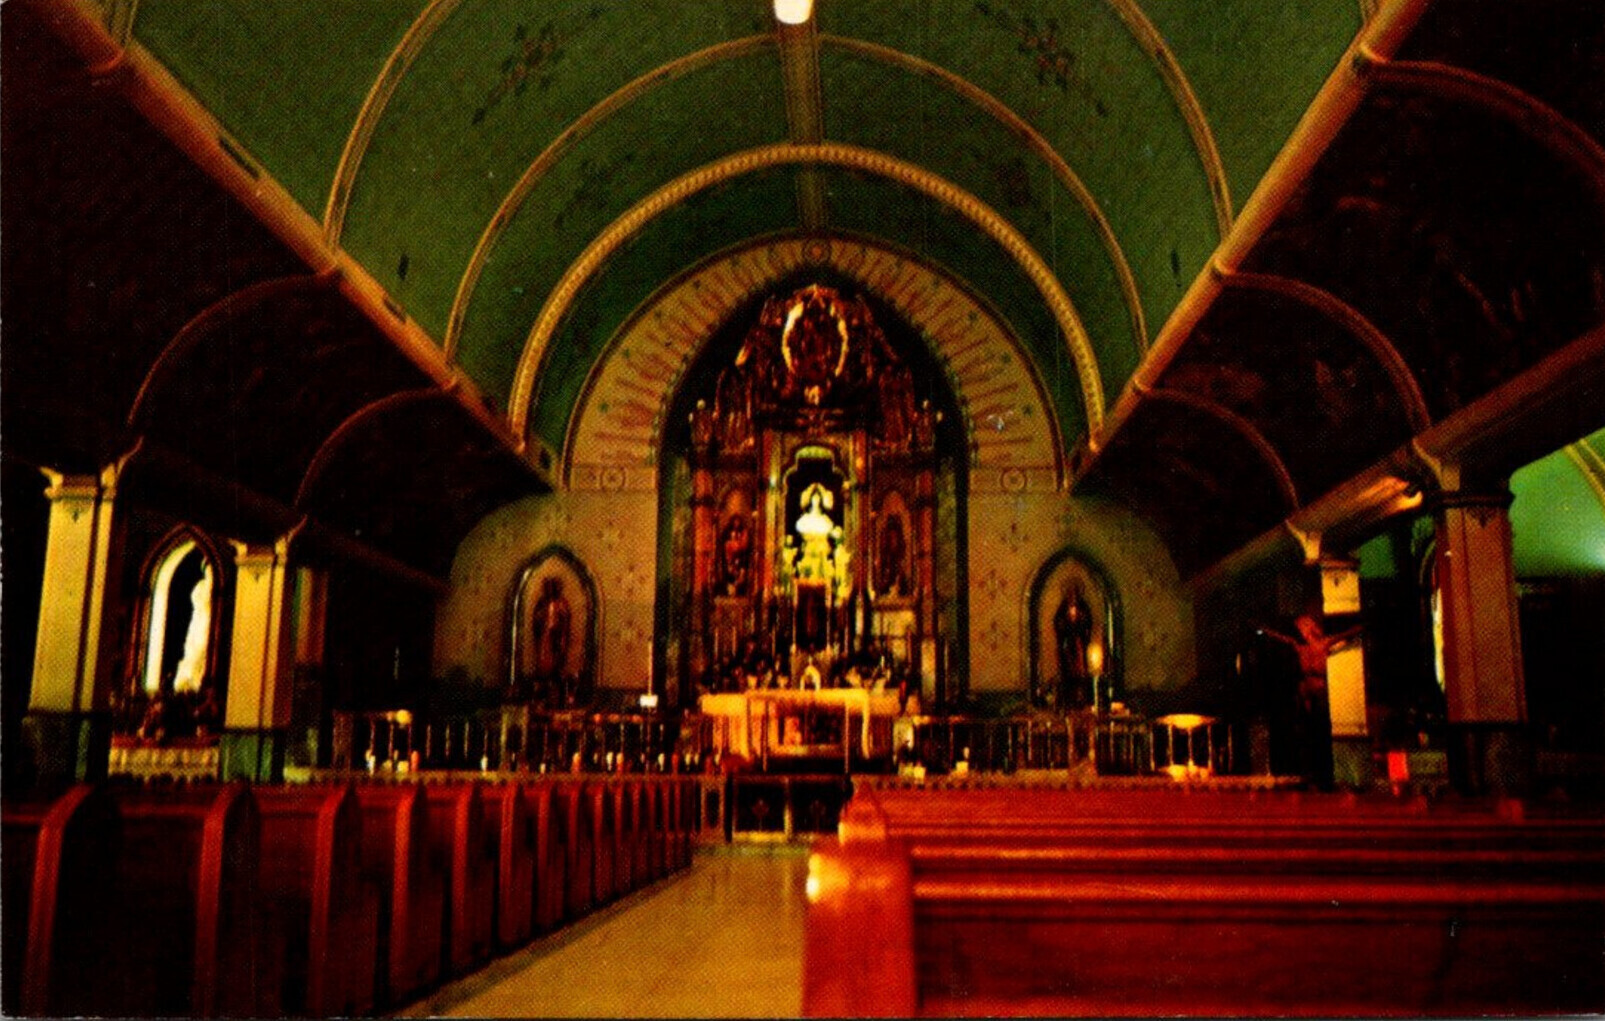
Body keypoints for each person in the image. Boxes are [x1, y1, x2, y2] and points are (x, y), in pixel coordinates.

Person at [1260, 614, 1361, 789]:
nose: (1305, 633)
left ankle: (1322, 775)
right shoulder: (1301, 647)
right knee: (1308, 729)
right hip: (1307, 690)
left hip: (1318, 690)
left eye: (1306, 629)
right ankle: (1311, 772)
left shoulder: (1322, 644)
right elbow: (1283, 638)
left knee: (1319, 728)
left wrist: (1357, 629)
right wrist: (1266, 630)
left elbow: (1343, 636)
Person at [531, 578, 572, 700]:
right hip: (545, 634)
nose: (550, 590)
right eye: (547, 587)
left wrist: (560, 625)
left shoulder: (562, 603)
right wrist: (542, 619)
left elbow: (566, 619)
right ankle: (544, 683)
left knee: (558, 656)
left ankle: (557, 679)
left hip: (557, 635)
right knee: (544, 656)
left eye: (553, 587)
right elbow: (536, 619)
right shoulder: (542, 603)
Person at [1054, 588, 1095, 709]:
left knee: (1080, 669)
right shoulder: (1063, 609)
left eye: (1074, 595)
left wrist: (1080, 622)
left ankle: (1081, 697)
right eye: (1070, 595)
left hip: (1078, 643)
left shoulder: (1083, 609)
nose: (1073, 598)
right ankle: (1067, 699)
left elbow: (1087, 624)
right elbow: (1058, 623)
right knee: (1067, 669)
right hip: (1067, 644)